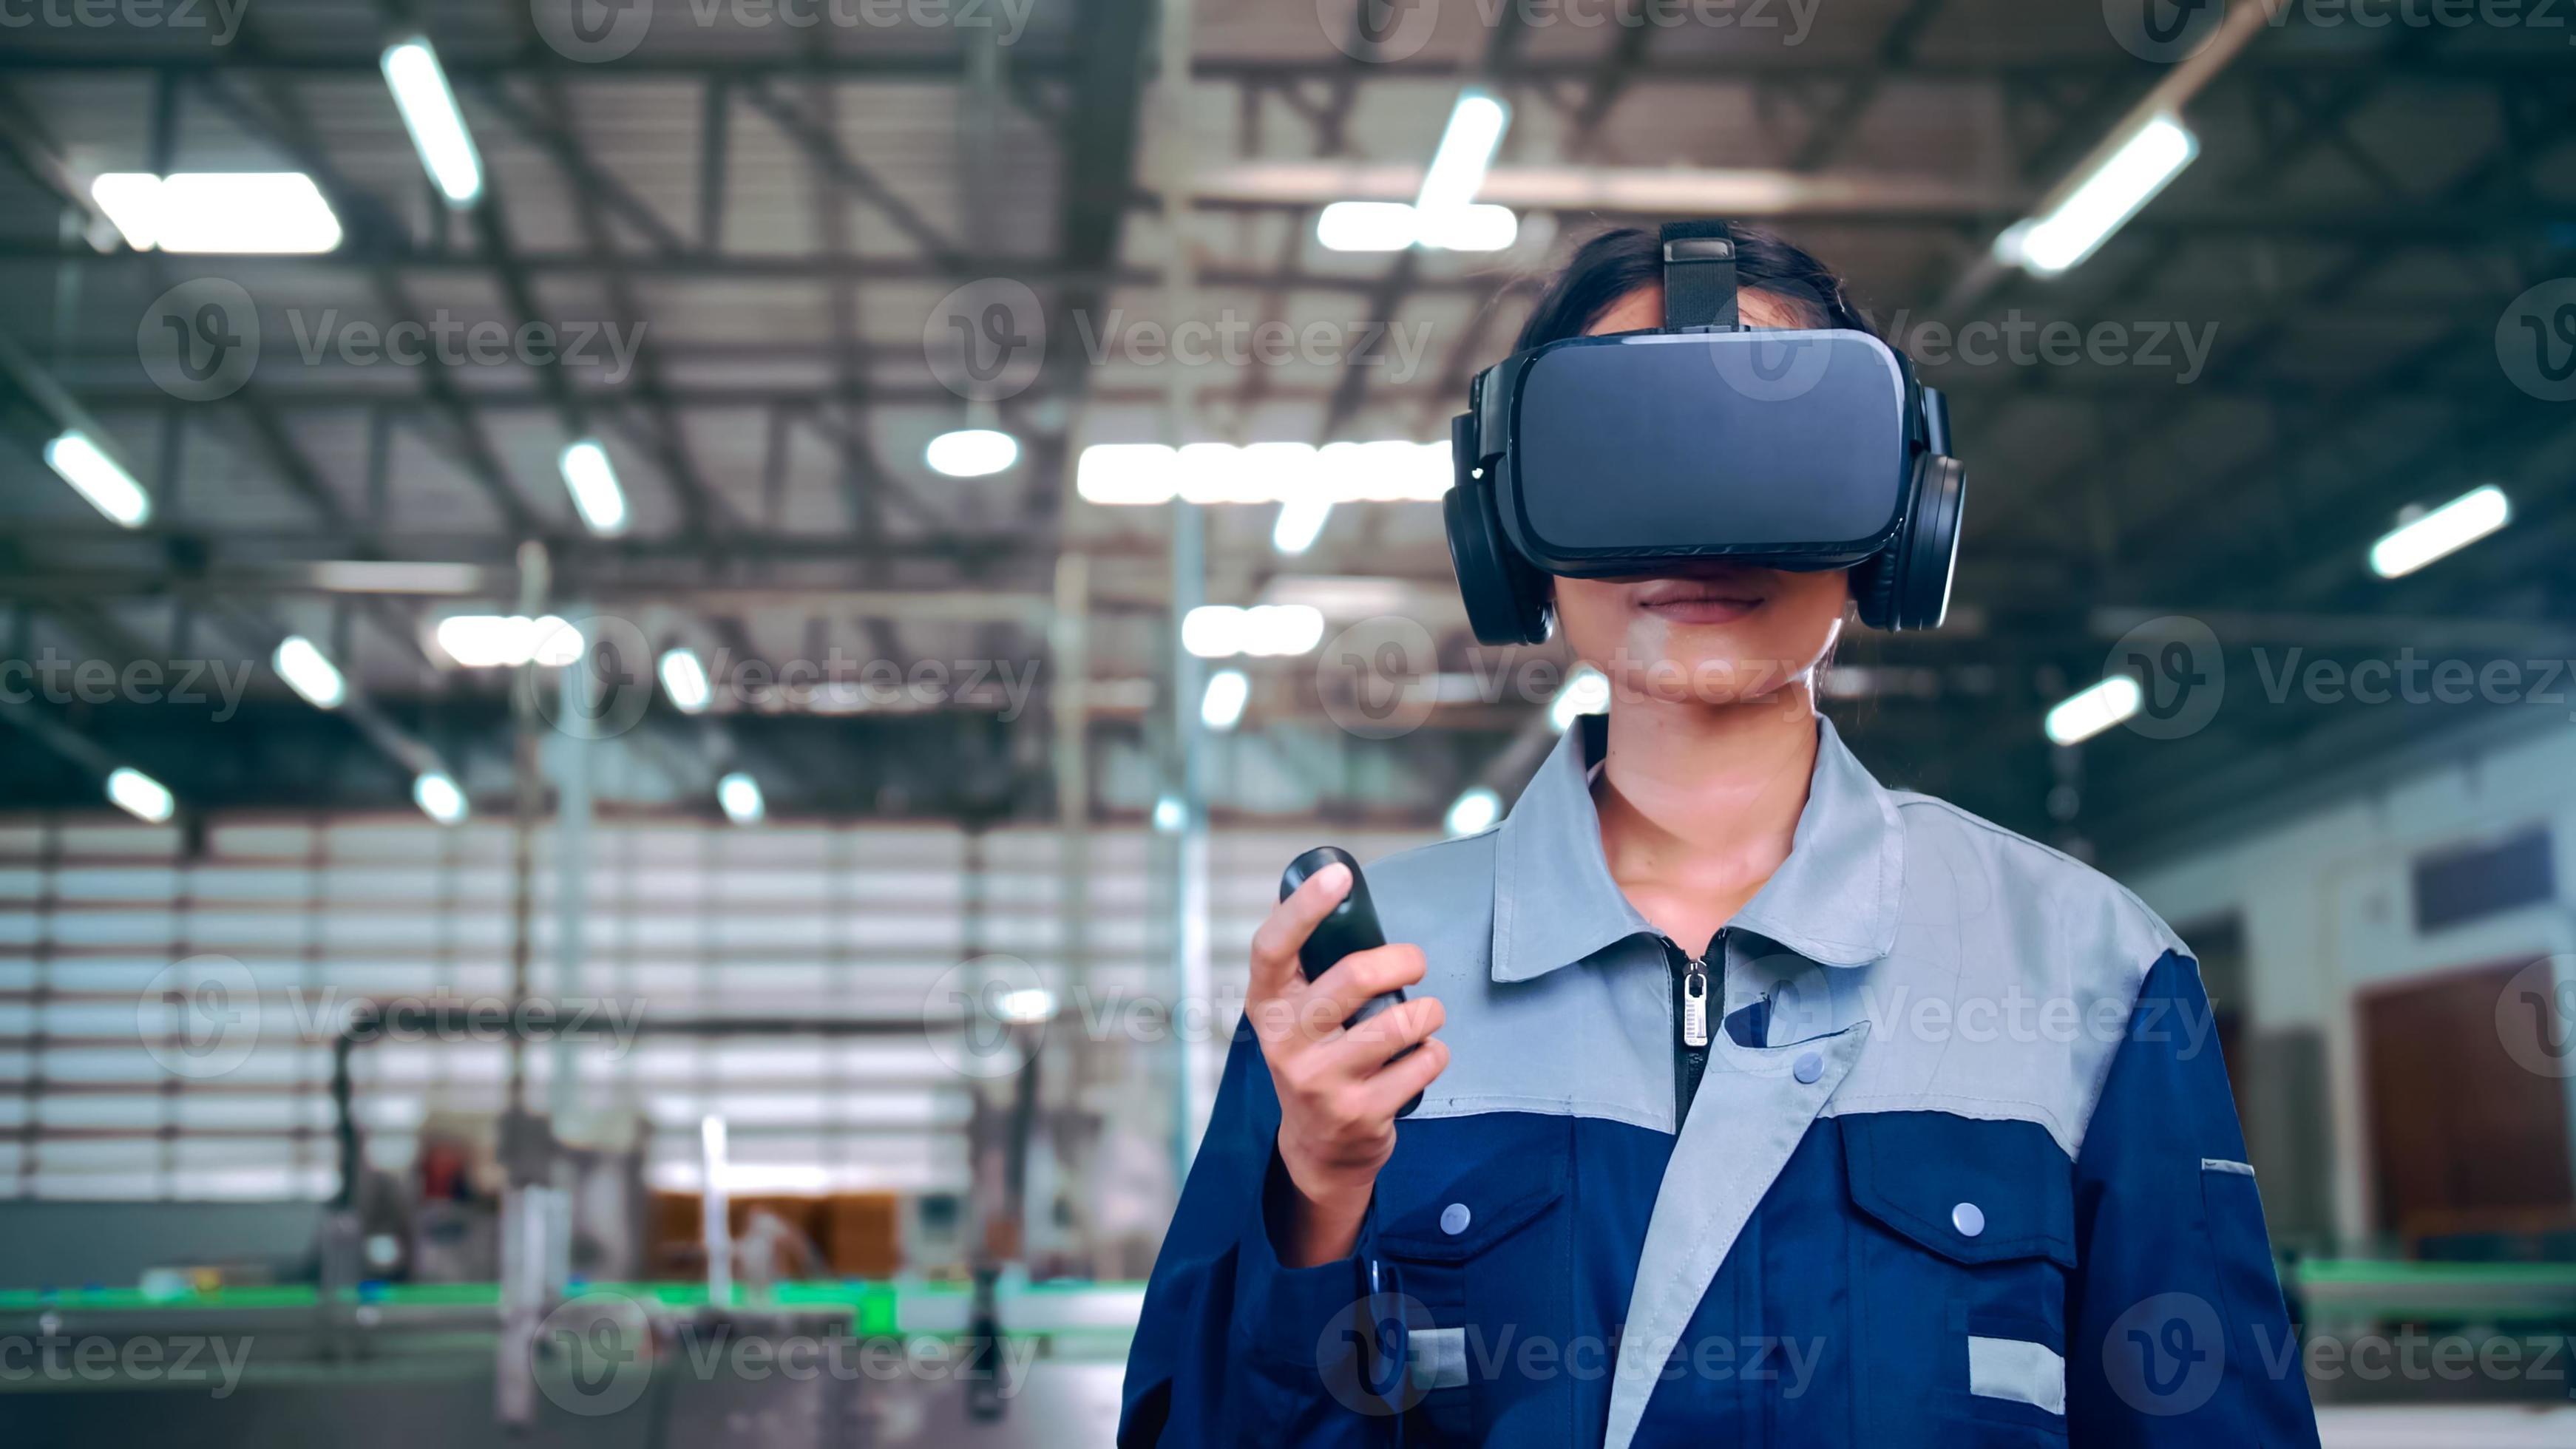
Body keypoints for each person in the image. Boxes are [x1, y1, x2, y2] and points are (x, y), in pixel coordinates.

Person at [1119, 223, 2319, 1448]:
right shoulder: (1362, 983)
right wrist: (1316, 1197)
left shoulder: (2086, 967)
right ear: (1508, 522)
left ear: (1901, 518)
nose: (1698, 531)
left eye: (1774, 447)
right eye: (1623, 449)